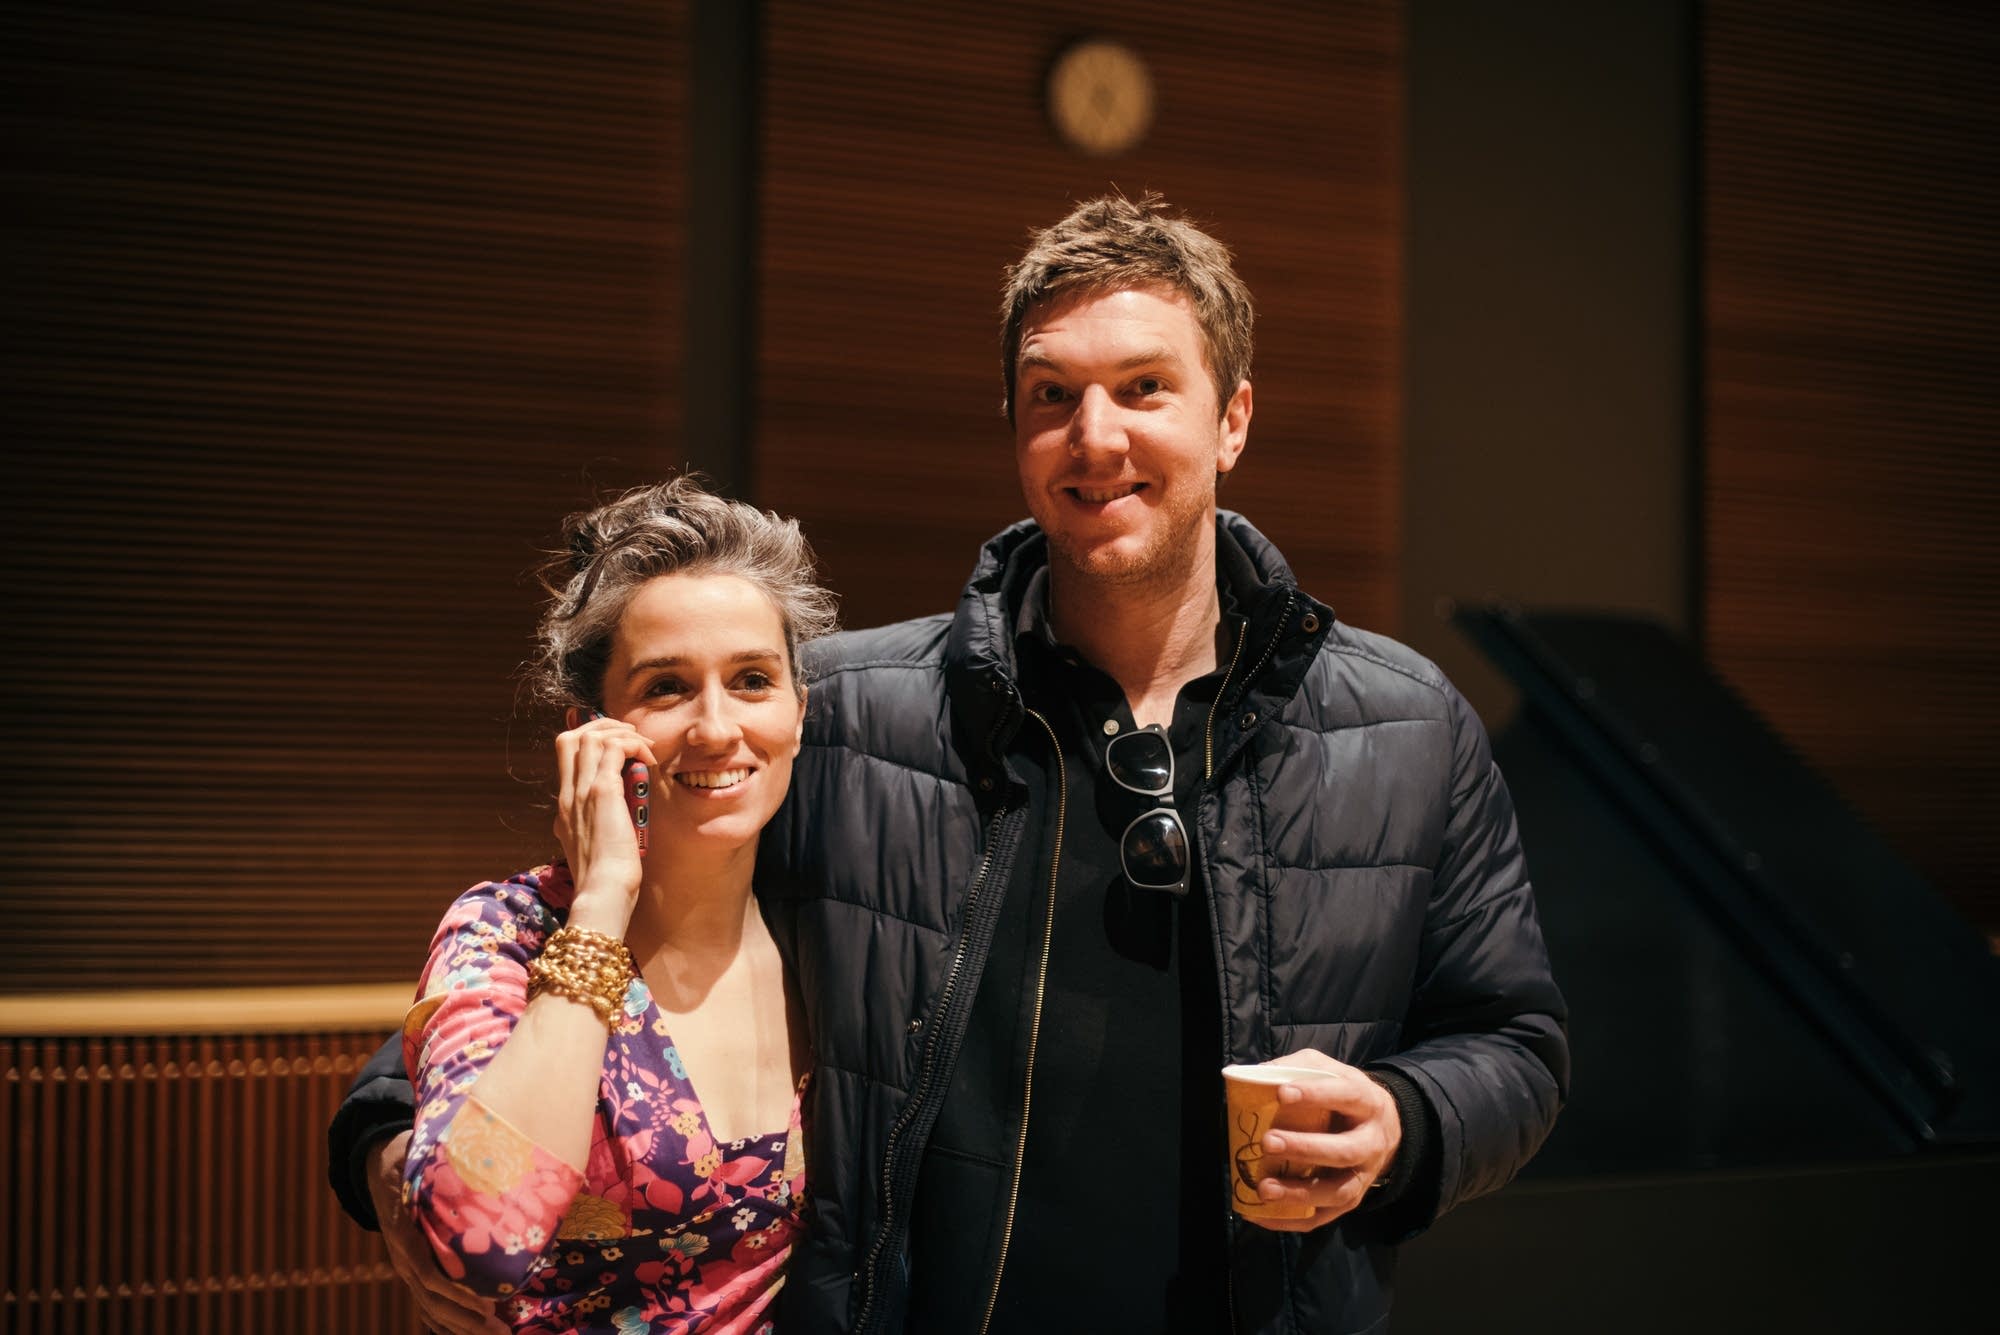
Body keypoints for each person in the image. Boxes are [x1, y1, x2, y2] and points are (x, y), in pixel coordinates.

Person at [332, 194, 1568, 1333]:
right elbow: (609, 928)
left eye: (1144, 387)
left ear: (1231, 418)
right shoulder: (855, 711)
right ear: (1014, 429)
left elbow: (1512, 1042)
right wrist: (394, 1136)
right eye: (1051, 395)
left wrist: (1408, 1124)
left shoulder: (1404, 724)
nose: (1096, 437)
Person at [374, 477, 837, 1333]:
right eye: (666, 686)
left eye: (751, 679)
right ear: (591, 726)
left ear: (799, 713)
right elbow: (477, 1242)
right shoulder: (504, 931)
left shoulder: (833, 928)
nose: (714, 726)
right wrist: (602, 901)